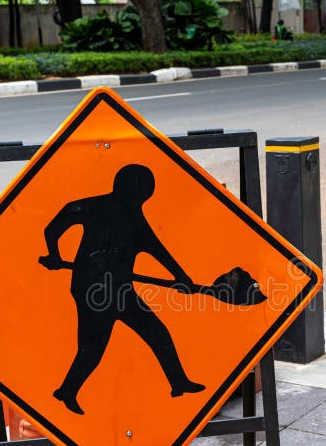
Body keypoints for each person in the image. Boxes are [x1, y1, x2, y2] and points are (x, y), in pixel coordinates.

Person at [39, 164, 205, 415]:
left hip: (115, 289)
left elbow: (53, 228)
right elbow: (52, 228)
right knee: (94, 346)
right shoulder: (120, 214)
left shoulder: (111, 211)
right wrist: (182, 278)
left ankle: (178, 382)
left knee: (153, 333)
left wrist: (183, 278)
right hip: (95, 292)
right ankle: (68, 390)